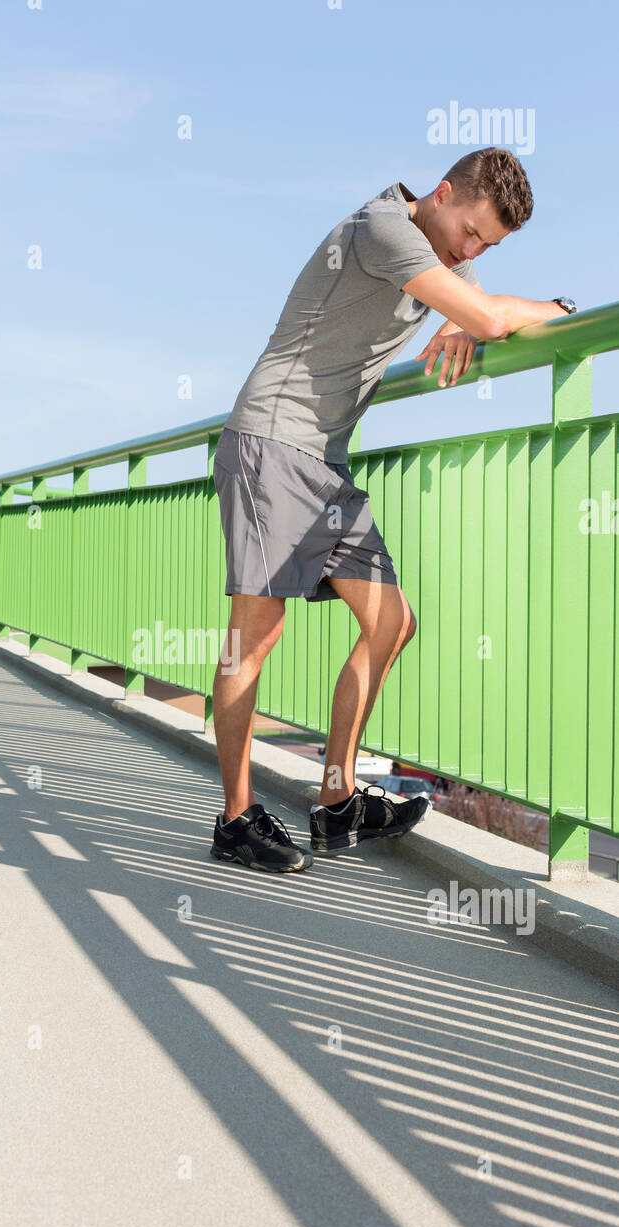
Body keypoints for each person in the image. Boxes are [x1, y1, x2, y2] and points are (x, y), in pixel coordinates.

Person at [210, 146, 576, 872]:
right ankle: (236, 819)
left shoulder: (446, 251)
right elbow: (488, 313)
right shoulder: (384, 228)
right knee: (256, 634)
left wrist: (468, 317)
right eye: (471, 233)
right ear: (441, 195)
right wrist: (542, 309)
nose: (471, 251)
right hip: (273, 441)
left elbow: (476, 310)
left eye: (486, 246)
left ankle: (338, 800)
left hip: (326, 462)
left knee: (393, 620)